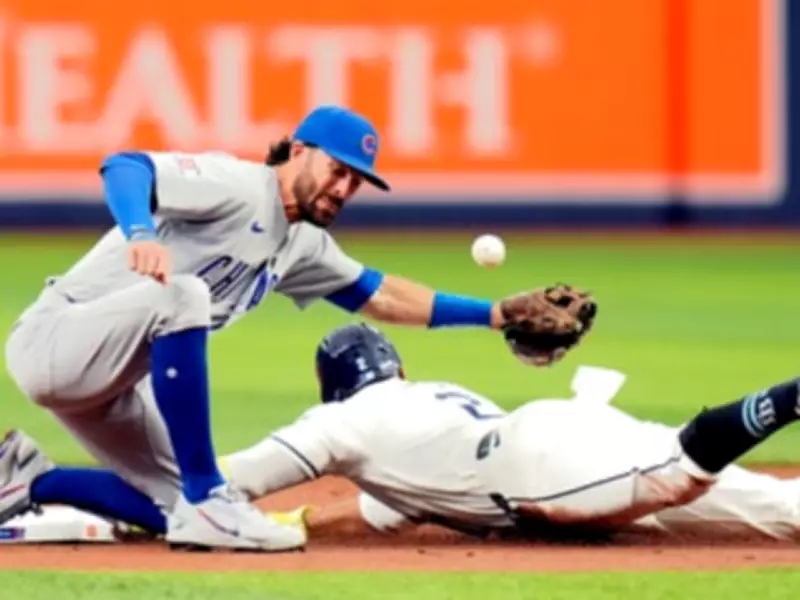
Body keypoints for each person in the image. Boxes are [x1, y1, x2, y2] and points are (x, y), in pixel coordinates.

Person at [1, 104, 594, 552]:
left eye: (356, 181)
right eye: (338, 170)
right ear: (299, 151)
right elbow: (126, 167)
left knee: (173, 510)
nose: (344, 188)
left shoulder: (302, 244)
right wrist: (140, 233)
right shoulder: (239, 186)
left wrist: (495, 315)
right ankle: (210, 500)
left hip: (112, 384)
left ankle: (27, 479)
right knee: (185, 295)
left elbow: (383, 295)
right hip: (55, 340)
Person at [4, 323, 800, 545]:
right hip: (563, 426)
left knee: (680, 467)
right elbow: (379, 510)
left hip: (538, 469)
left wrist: (55, 481)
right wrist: (319, 517)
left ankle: (790, 397)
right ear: (397, 364)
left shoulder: (343, 422)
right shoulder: (426, 405)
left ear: (331, 386)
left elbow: (203, 491)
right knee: (767, 507)